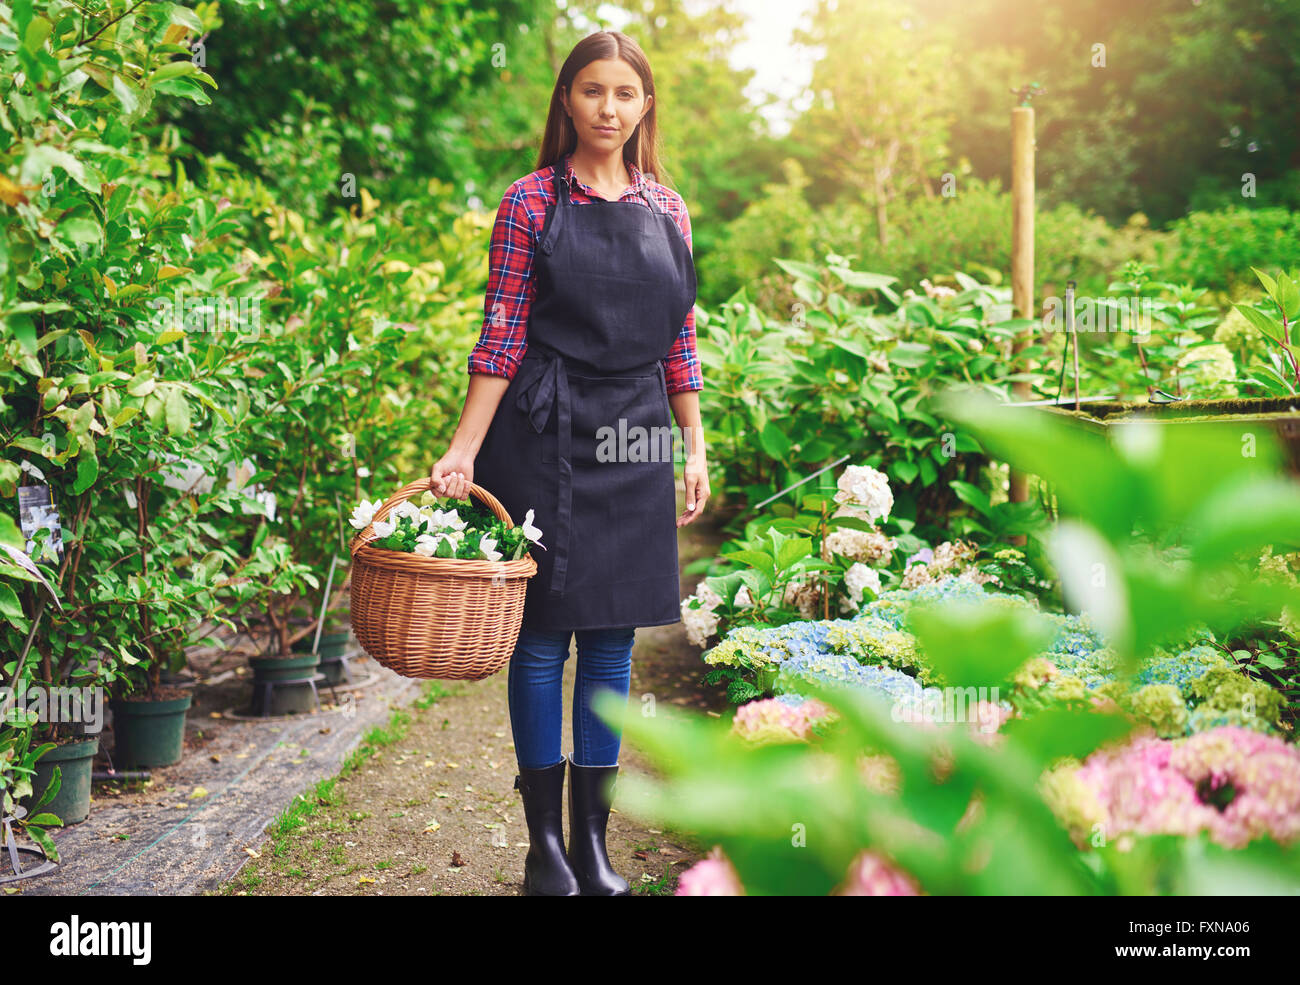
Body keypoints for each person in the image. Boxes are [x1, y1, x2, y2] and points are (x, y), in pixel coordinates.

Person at [429, 30, 710, 896]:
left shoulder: (669, 210)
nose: (609, 108)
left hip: (635, 434)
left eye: (625, 94)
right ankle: (542, 848)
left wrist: (693, 440)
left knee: (614, 640)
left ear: (644, 107)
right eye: (593, 91)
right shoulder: (528, 203)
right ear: (567, 100)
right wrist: (464, 446)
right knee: (545, 636)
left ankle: (593, 845)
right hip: (543, 431)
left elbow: (680, 339)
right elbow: (502, 333)